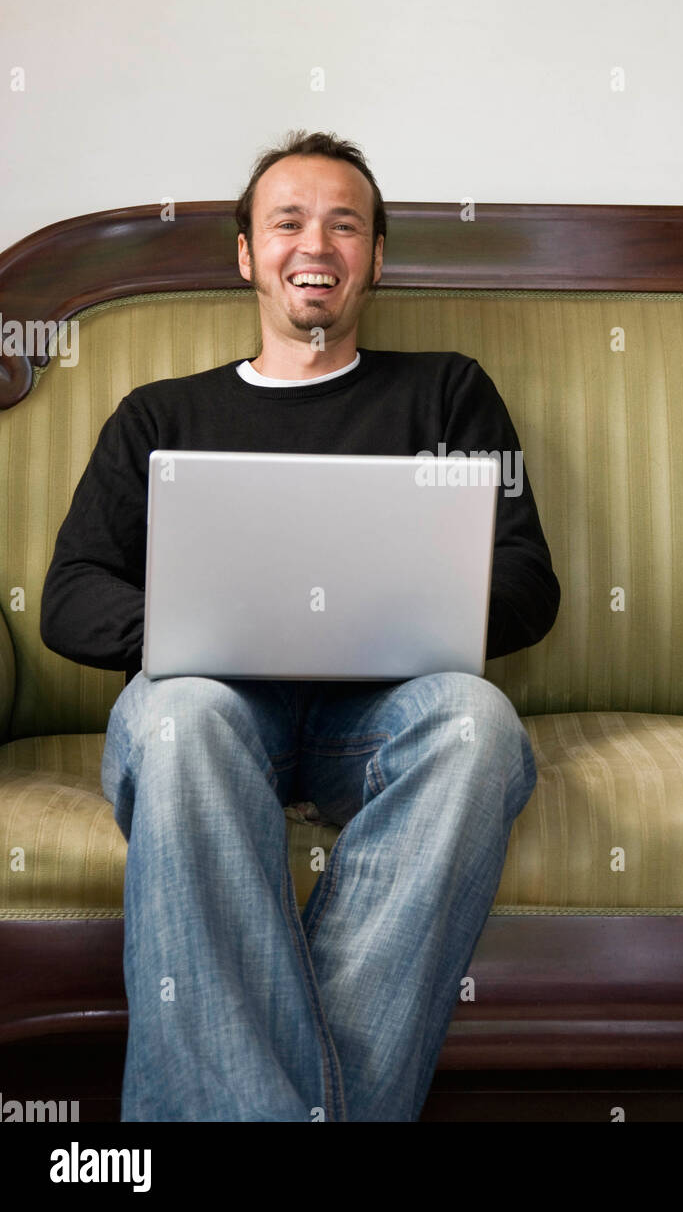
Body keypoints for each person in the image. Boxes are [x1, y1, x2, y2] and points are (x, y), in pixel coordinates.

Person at [39, 130, 561, 1122]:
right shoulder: (161, 416)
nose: (313, 241)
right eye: (286, 220)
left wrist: (403, 604)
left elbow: (530, 581)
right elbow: (71, 594)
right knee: (178, 717)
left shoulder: (446, 391)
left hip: (381, 717)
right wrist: (206, 625)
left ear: (373, 257)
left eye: (344, 223)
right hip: (216, 709)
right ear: (246, 252)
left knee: (477, 726)